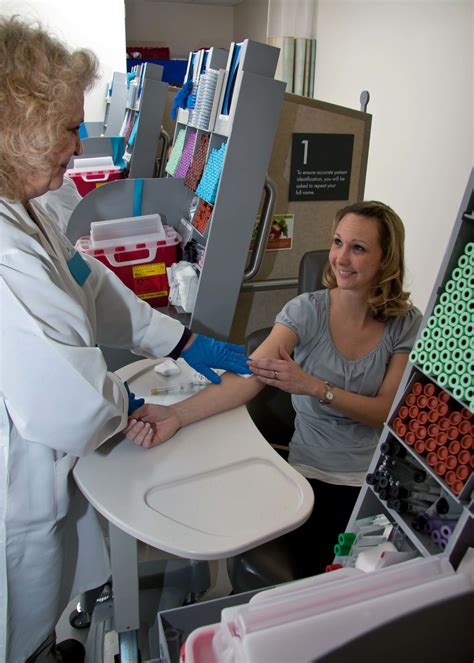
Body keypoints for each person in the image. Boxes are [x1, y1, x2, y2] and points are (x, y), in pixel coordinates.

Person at [0, 17, 250, 663]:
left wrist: (178, 341)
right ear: (15, 123)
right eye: (66, 127)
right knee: (13, 623)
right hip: (13, 488)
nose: (77, 142)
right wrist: (131, 408)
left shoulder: (26, 208)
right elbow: (63, 398)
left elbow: (88, 283)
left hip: (40, 471)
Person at [125, 200, 422, 577]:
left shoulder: (405, 323)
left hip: (377, 477)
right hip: (315, 475)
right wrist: (176, 415)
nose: (341, 258)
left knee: (390, 577)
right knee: (328, 579)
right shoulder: (305, 312)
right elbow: (249, 381)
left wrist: (314, 386)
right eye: (337, 242)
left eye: (358, 248)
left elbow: (385, 413)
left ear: (386, 259)